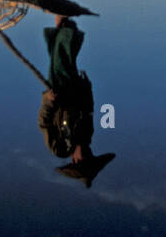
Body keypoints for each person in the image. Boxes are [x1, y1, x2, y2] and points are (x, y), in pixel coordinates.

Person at [38, 16, 115, 187]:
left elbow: (44, 123)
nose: (86, 155)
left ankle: (61, 21)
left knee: (59, 60)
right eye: (89, 157)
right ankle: (64, 23)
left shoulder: (59, 148)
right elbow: (89, 108)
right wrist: (87, 87)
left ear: (74, 160)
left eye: (82, 160)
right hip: (75, 88)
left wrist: (48, 101)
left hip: (58, 93)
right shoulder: (88, 134)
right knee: (64, 59)